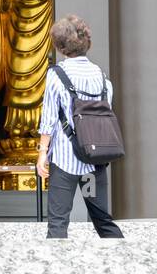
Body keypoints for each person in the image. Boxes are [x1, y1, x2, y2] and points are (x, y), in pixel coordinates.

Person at [37, 14, 124, 239]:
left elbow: (48, 119)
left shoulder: (56, 75)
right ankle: (123, 262)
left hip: (65, 162)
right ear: (87, 43)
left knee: (58, 222)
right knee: (102, 219)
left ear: (60, 46)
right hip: (93, 163)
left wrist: (42, 154)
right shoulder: (101, 77)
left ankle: (57, 273)